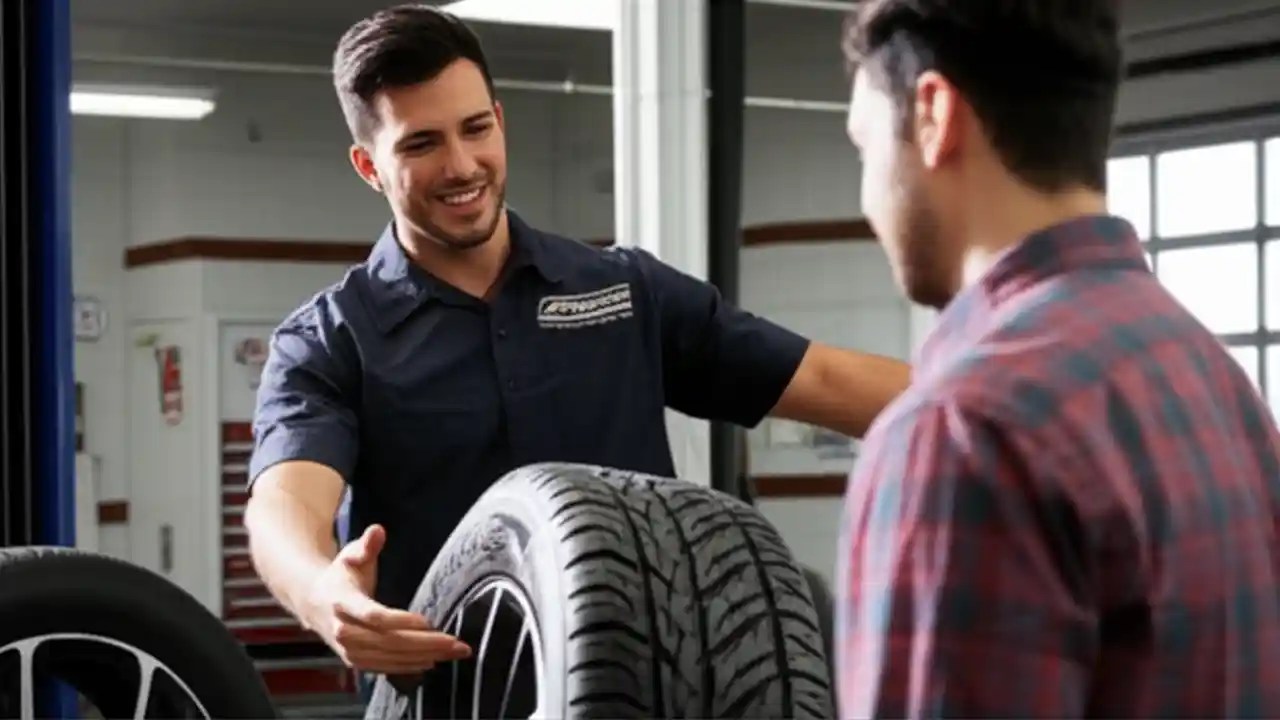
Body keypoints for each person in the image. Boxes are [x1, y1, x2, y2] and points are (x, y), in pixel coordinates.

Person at [242, 3, 912, 681]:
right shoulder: (330, 340)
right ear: (368, 165)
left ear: (500, 121)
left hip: (642, 691)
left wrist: (1007, 400)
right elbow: (285, 504)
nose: (462, 164)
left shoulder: (625, 292)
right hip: (452, 698)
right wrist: (319, 593)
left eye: (476, 129)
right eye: (421, 144)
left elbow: (825, 380)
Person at [834, 0, 1280, 717]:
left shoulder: (960, 432)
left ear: (932, 115)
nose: (865, 196)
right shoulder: (1213, 378)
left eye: (863, 148)